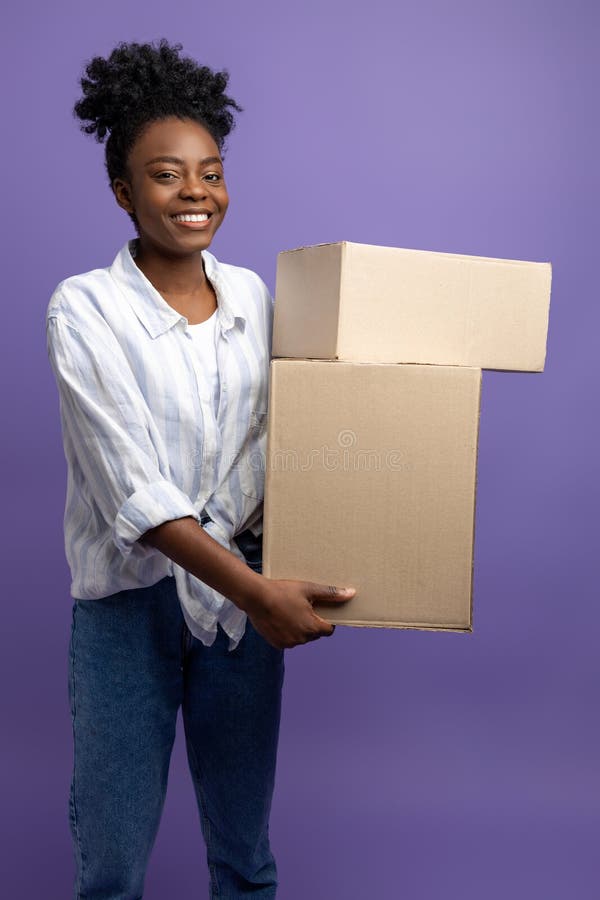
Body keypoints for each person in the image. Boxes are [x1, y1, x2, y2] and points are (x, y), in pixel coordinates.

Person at [46, 39, 355, 900]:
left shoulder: (257, 296)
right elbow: (133, 491)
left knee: (246, 860)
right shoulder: (84, 308)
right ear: (122, 191)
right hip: (128, 614)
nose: (196, 194)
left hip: (241, 611)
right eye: (167, 175)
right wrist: (261, 595)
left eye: (211, 173)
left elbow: (289, 433)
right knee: (110, 871)